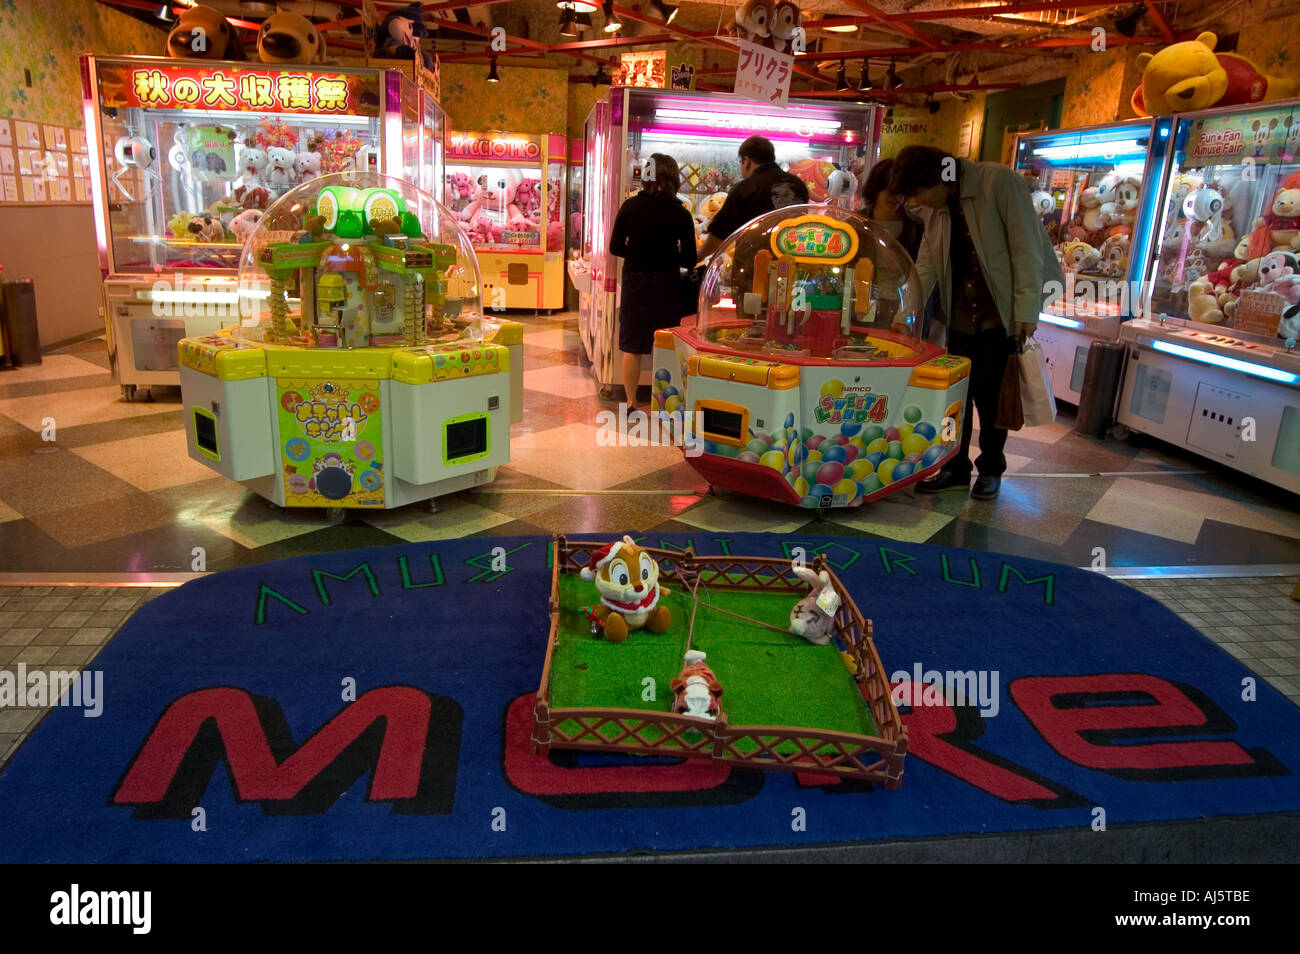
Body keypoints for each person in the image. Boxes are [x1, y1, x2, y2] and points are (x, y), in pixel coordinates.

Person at [889, 145, 1065, 501]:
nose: (917, 201)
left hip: (999, 314)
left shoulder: (997, 182)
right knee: (956, 397)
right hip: (959, 316)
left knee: (990, 398)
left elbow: (1026, 250)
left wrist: (1025, 313)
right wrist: (904, 314)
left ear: (938, 178)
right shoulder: (937, 209)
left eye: (918, 192)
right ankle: (954, 466)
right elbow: (925, 265)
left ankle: (991, 468)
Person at [608, 152, 697, 415]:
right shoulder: (680, 213)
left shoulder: (630, 207)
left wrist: (637, 252)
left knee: (633, 346)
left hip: (636, 284)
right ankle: (664, 403)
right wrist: (670, 254)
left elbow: (615, 247)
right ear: (673, 177)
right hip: (668, 286)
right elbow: (690, 258)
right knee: (665, 344)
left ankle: (631, 402)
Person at [698, 136, 810, 261]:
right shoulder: (798, 185)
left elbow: (720, 232)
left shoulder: (745, 188)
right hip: (792, 261)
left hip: (753, 264)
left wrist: (699, 256)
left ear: (746, 161)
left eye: (741, 163)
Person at [857, 158, 923, 260]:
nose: (895, 197)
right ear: (876, 189)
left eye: (900, 192)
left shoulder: (914, 226)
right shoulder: (857, 223)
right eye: (891, 191)